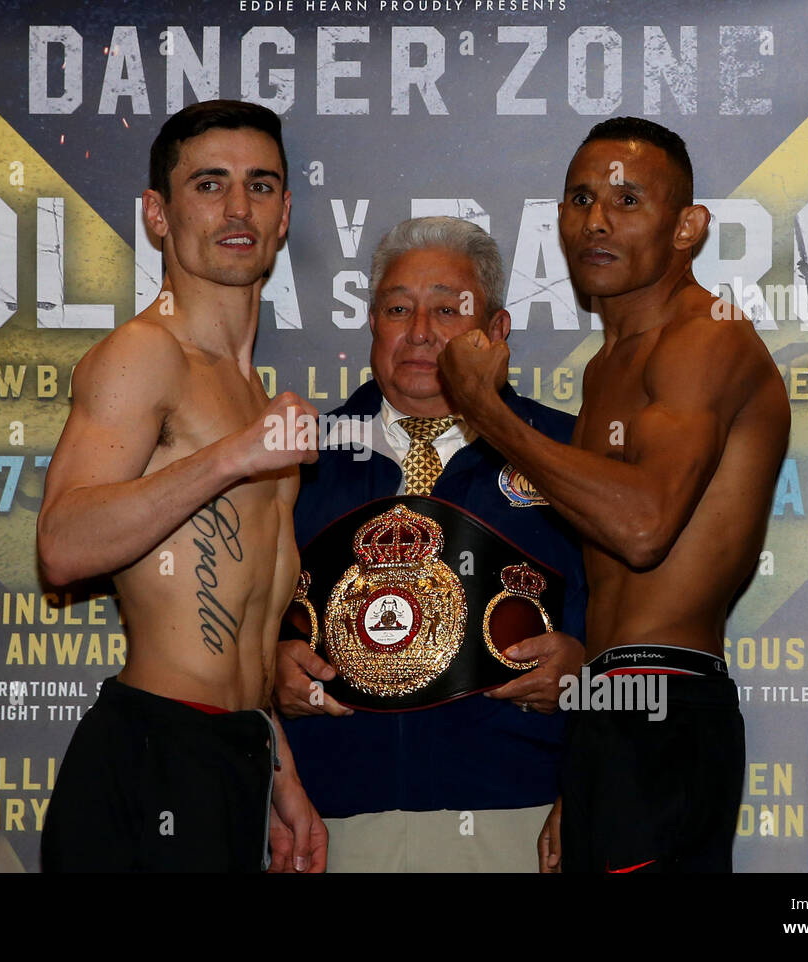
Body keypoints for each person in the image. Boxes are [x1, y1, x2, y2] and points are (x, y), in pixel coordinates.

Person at [439, 117, 791, 873]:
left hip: (666, 699)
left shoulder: (706, 337)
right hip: (614, 706)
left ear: (686, 227)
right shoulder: (608, 366)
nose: (595, 220)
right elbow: (611, 583)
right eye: (580, 198)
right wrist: (580, 773)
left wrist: (488, 411)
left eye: (628, 202)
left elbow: (643, 527)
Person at [37, 100, 327, 873]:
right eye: (210, 185)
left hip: (232, 750)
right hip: (154, 746)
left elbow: (247, 620)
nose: (238, 208)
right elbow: (62, 546)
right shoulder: (144, 354)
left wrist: (278, 767)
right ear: (158, 215)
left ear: (285, 211)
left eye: (260, 185)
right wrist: (233, 457)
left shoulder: (255, 398)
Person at [278, 216, 588, 872]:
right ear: (372, 324)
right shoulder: (296, 460)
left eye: (448, 309)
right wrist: (262, 672)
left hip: (520, 821)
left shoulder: (574, 455)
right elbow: (225, 628)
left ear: (496, 332)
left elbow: (644, 625)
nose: (419, 332)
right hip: (332, 825)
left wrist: (589, 674)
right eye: (398, 309)